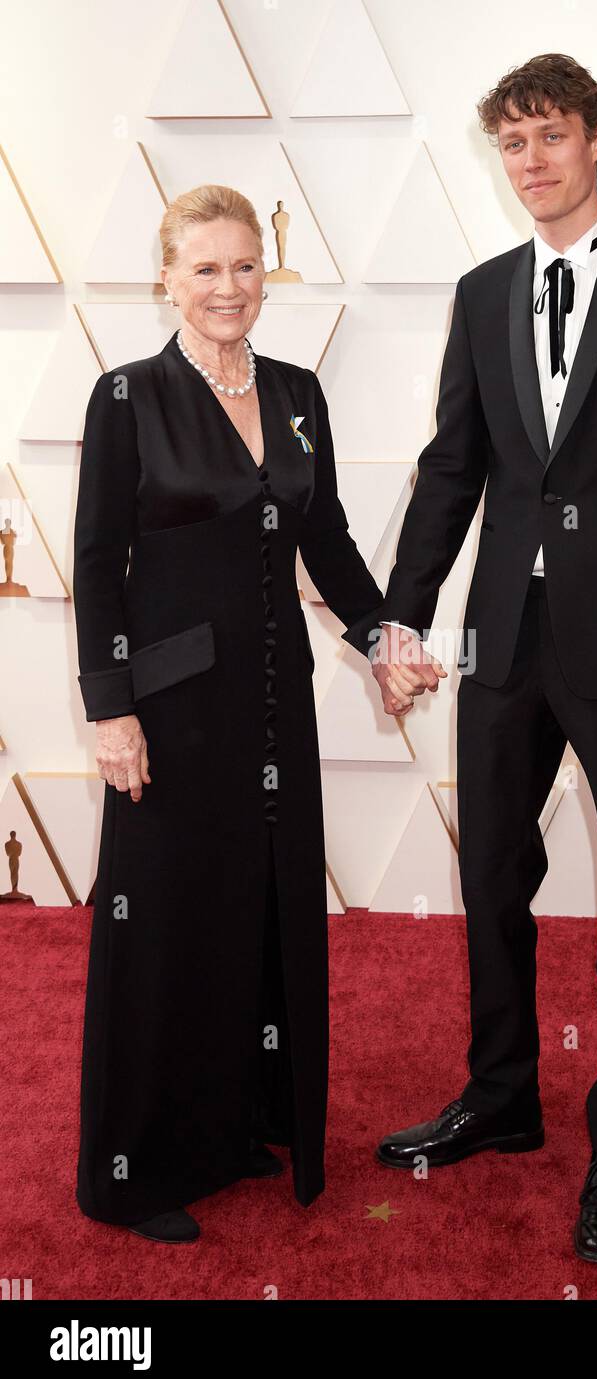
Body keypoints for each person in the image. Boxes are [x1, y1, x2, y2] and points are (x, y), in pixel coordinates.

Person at [342, 54, 597, 1262]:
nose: (531, 162)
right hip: (502, 642)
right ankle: (504, 1097)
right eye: (511, 143)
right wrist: (401, 621)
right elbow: (452, 470)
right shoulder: (479, 295)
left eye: (551, 136)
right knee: (490, 884)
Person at [73, 184, 399, 1243]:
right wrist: (110, 709)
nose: (228, 287)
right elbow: (96, 565)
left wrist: (382, 638)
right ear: (166, 278)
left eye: (245, 266)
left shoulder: (301, 392)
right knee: (163, 931)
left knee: (257, 918)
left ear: (269, 273)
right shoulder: (127, 399)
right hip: (167, 714)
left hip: (271, 707)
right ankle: (132, 1172)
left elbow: (330, 539)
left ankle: (234, 1128)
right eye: (204, 268)